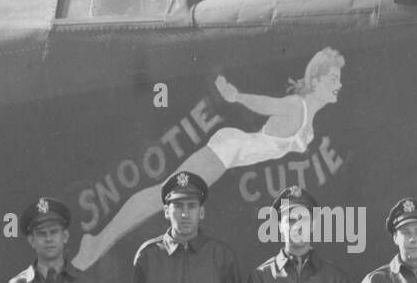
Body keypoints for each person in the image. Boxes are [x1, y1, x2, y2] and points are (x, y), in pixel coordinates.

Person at [73, 47, 345, 271]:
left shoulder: (309, 114)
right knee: (163, 195)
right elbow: (266, 104)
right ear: (316, 80)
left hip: (231, 152)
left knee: (163, 194)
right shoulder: (297, 106)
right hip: (227, 150)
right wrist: (236, 96)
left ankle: (97, 243)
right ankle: (96, 244)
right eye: (333, 78)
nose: (339, 84)